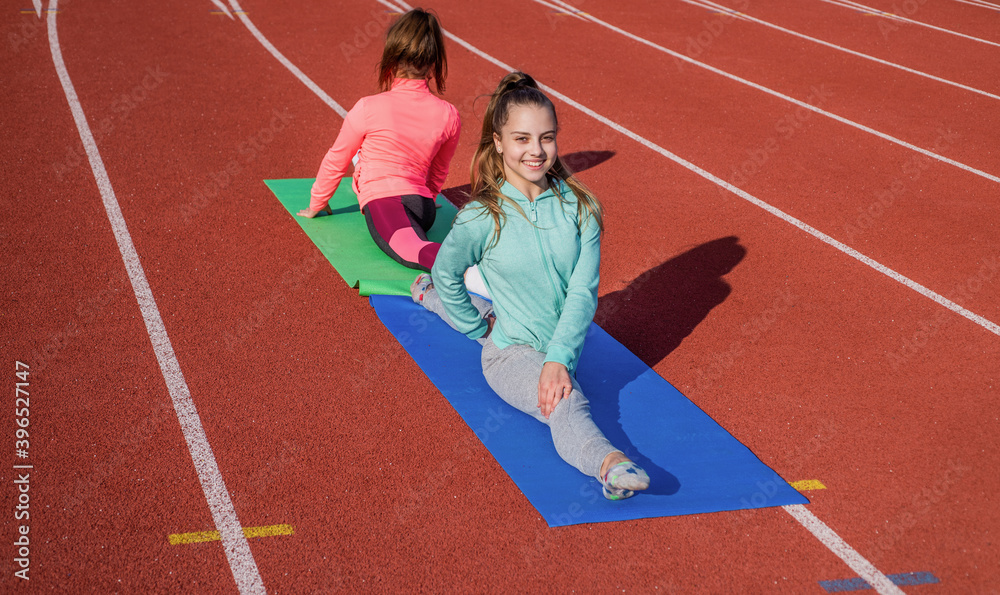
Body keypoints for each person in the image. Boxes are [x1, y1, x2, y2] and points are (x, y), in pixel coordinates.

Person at [411, 72, 650, 500]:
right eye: (521, 139)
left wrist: (558, 357)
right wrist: (474, 328)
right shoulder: (481, 217)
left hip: (553, 342)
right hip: (508, 353)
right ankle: (609, 464)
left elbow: (582, 292)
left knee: (527, 343)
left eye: (547, 138)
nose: (536, 151)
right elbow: (449, 271)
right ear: (499, 142)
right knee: (564, 400)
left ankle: (430, 297)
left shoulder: (581, 208)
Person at [297, 8, 458, 274]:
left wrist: (318, 202)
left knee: (411, 250)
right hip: (424, 207)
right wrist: (429, 195)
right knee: (370, 154)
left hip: (386, 202)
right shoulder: (449, 114)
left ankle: (474, 271)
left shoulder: (367, 107)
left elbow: (337, 158)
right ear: (433, 64)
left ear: (391, 61)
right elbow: (439, 169)